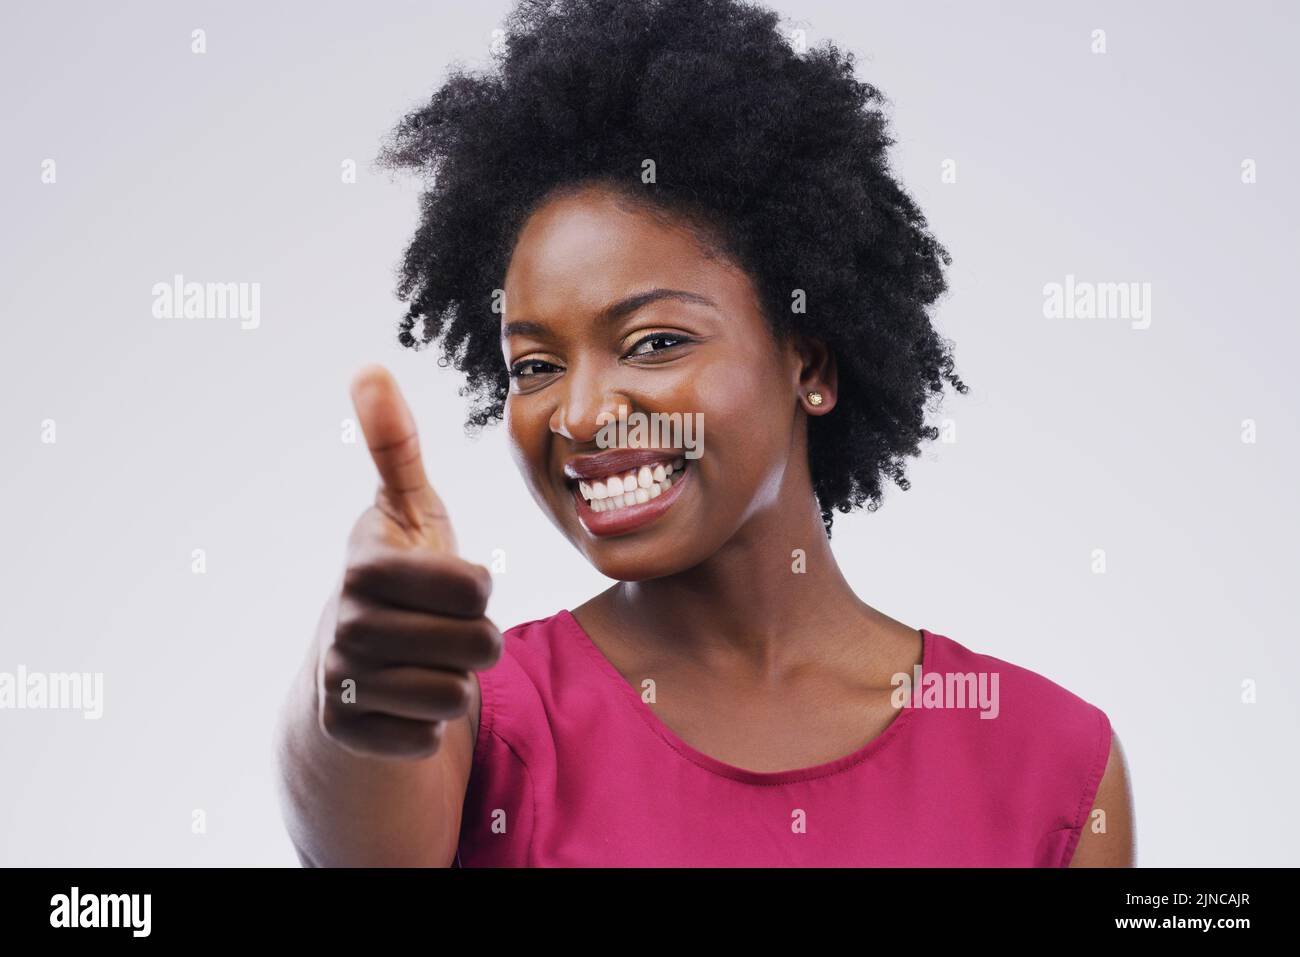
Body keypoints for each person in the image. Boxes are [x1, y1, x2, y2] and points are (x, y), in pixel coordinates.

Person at [275, 0, 1134, 866]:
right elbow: (355, 830)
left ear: (810, 365)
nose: (577, 415)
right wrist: (346, 676)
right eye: (534, 365)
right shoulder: (485, 713)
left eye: (653, 343)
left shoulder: (1049, 757)